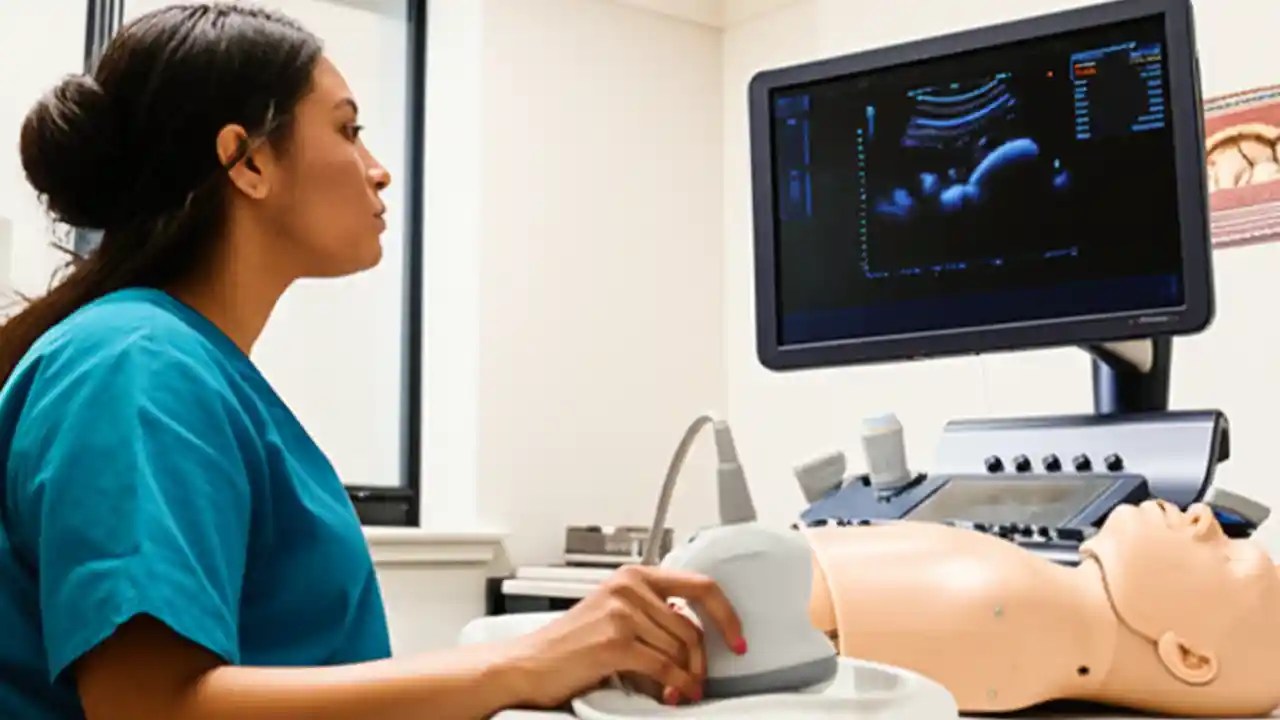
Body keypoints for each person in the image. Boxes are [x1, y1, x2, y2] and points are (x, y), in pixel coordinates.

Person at [0, 4, 746, 719]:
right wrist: (523, 662)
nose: (378, 170)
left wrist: (545, 660)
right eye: (348, 130)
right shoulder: (136, 366)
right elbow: (151, 707)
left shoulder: (177, 362)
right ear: (249, 161)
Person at [802, 500, 1280, 717]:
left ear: (1189, 657)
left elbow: (765, 605)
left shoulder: (1004, 605)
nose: (1204, 518)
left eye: (1231, 561)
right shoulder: (1016, 598)